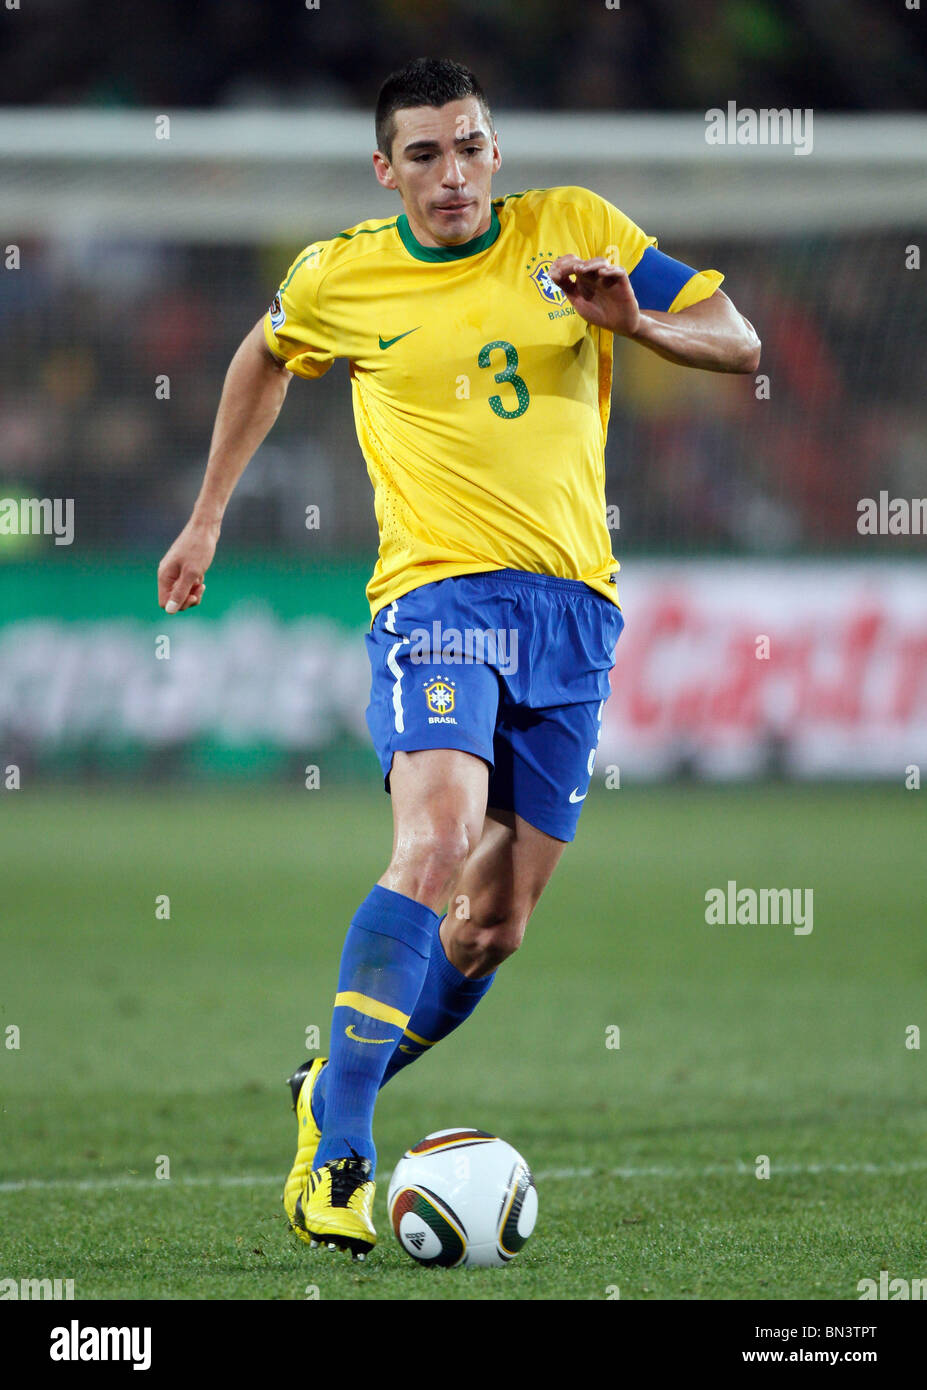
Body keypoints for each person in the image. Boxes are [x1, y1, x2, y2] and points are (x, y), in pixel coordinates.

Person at [157, 56, 760, 1261]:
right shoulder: (341, 273)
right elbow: (265, 355)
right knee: (432, 841)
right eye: (425, 155)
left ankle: (334, 1070)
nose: (454, 174)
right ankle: (338, 1147)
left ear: (497, 151)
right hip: (437, 597)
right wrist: (209, 509)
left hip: (575, 608)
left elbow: (739, 344)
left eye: (471, 146)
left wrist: (634, 323)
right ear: (387, 171)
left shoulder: (575, 229)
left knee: (492, 927)